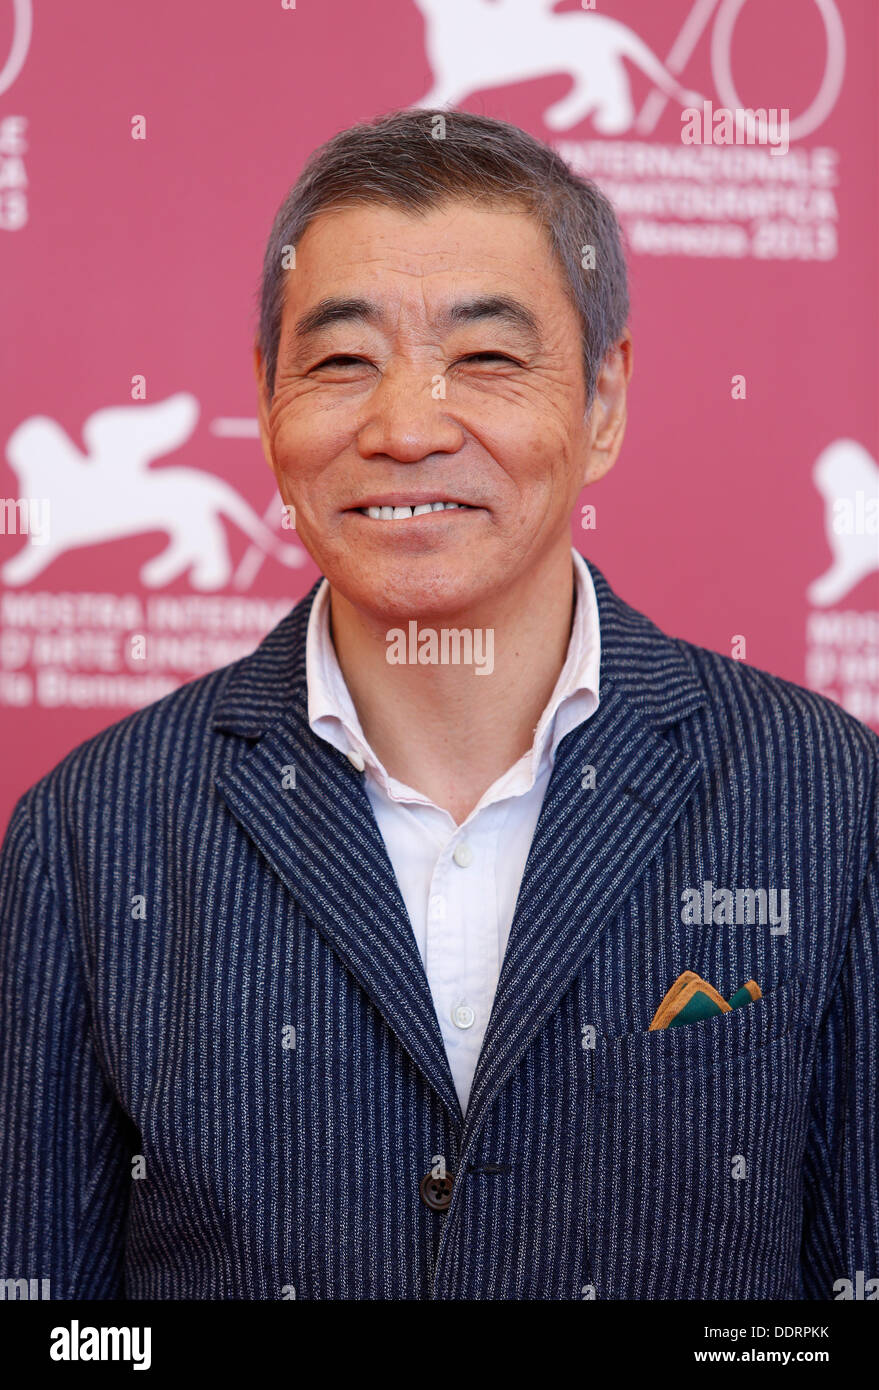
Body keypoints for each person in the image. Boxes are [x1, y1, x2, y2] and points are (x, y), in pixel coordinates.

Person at [1, 108, 876, 1301]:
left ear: (604, 402)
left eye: (488, 359)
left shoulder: (826, 798)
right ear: (266, 400)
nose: (407, 427)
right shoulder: (87, 835)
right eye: (343, 362)